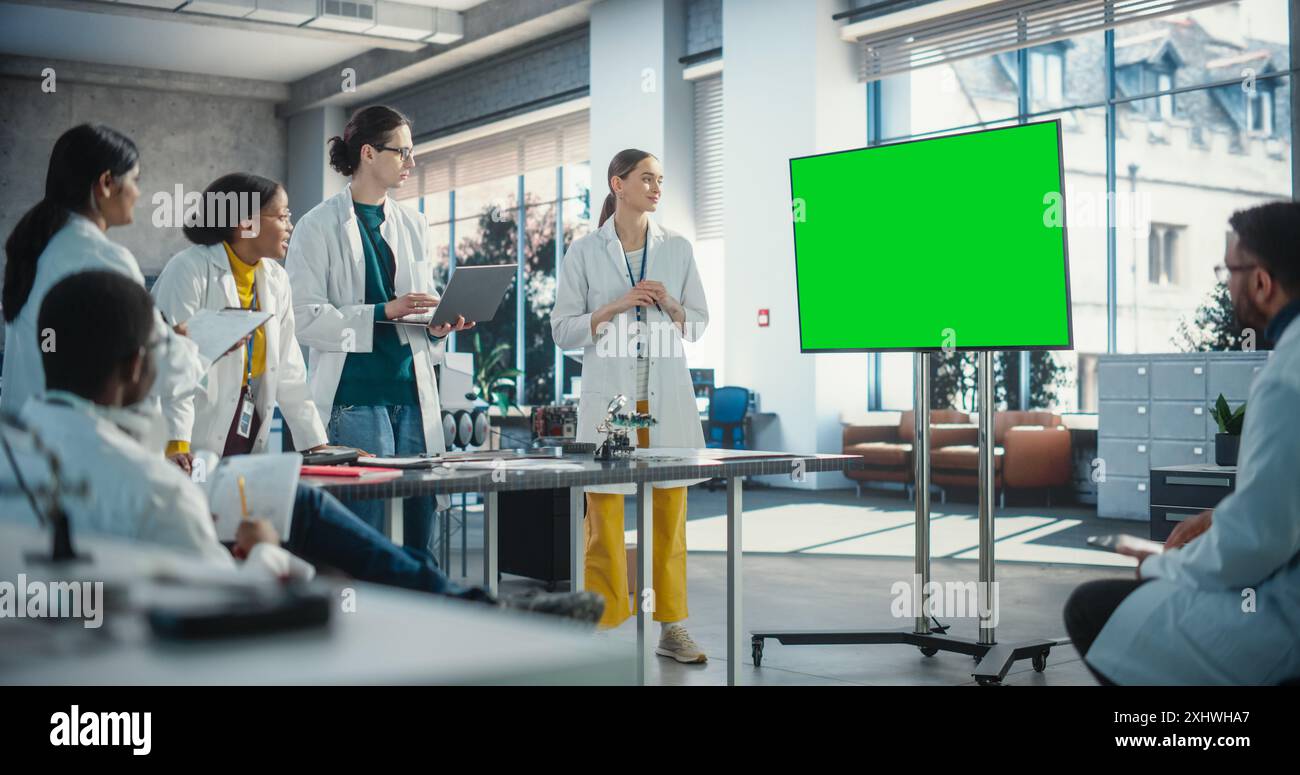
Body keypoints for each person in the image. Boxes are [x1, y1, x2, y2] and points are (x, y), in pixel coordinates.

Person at [0, 270, 602, 621]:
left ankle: (469, 603)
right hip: (195, 573)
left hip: (200, 470)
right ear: (136, 366)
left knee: (300, 500)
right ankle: (478, 612)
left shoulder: (21, 442)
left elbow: (285, 371)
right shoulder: (156, 496)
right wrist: (264, 552)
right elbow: (234, 604)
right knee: (303, 527)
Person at [1064, 201, 1300, 685]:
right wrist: (1219, 516)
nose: (1225, 283)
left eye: (1229, 269)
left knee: (1094, 610)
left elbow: (1255, 543)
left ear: (1261, 281)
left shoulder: (1286, 378)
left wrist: (1164, 566)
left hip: (1284, 622)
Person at [286, 105, 473, 553]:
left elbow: (417, 308)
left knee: (417, 532)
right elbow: (304, 317)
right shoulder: (317, 226)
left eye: (412, 153)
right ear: (368, 153)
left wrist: (441, 325)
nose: (411, 163)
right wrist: (383, 312)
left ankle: (418, 620)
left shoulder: (413, 223)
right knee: (364, 534)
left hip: (412, 395)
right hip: (355, 399)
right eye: (402, 152)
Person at [551, 148, 710, 660]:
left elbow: (699, 323)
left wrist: (670, 303)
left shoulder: (678, 248)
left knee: (669, 514)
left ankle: (671, 627)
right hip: (614, 403)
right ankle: (602, 623)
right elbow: (562, 330)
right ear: (617, 184)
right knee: (606, 514)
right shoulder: (583, 252)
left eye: (661, 179)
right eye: (647, 178)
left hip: (664, 402)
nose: (657, 187)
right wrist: (615, 306)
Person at [1, 123, 203, 448]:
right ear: (107, 183)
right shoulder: (103, 257)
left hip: (23, 451)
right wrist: (183, 345)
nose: (138, 193)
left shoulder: (38, 244)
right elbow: (163, 372)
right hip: (77, 454)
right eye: (135, 180)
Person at [150, 173, 329, 467]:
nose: (290, 226)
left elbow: (289, 370)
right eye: (282, 216)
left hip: (245, 430)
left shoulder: (276, 279)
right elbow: (173, 363)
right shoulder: (189, 270)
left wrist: (316, 444)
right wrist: (176, 442)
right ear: (245, 222)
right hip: (189, 438)